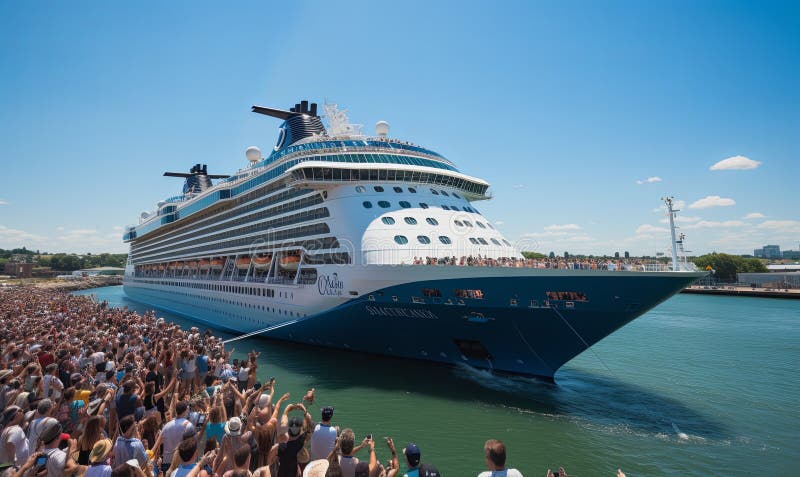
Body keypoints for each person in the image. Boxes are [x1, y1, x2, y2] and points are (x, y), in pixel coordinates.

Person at [161, 401, 196, 474]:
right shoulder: (188, 425)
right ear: (186, 410)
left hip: (166, 462)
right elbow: (192, 445)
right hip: (179, 463)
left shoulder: (166, 426)